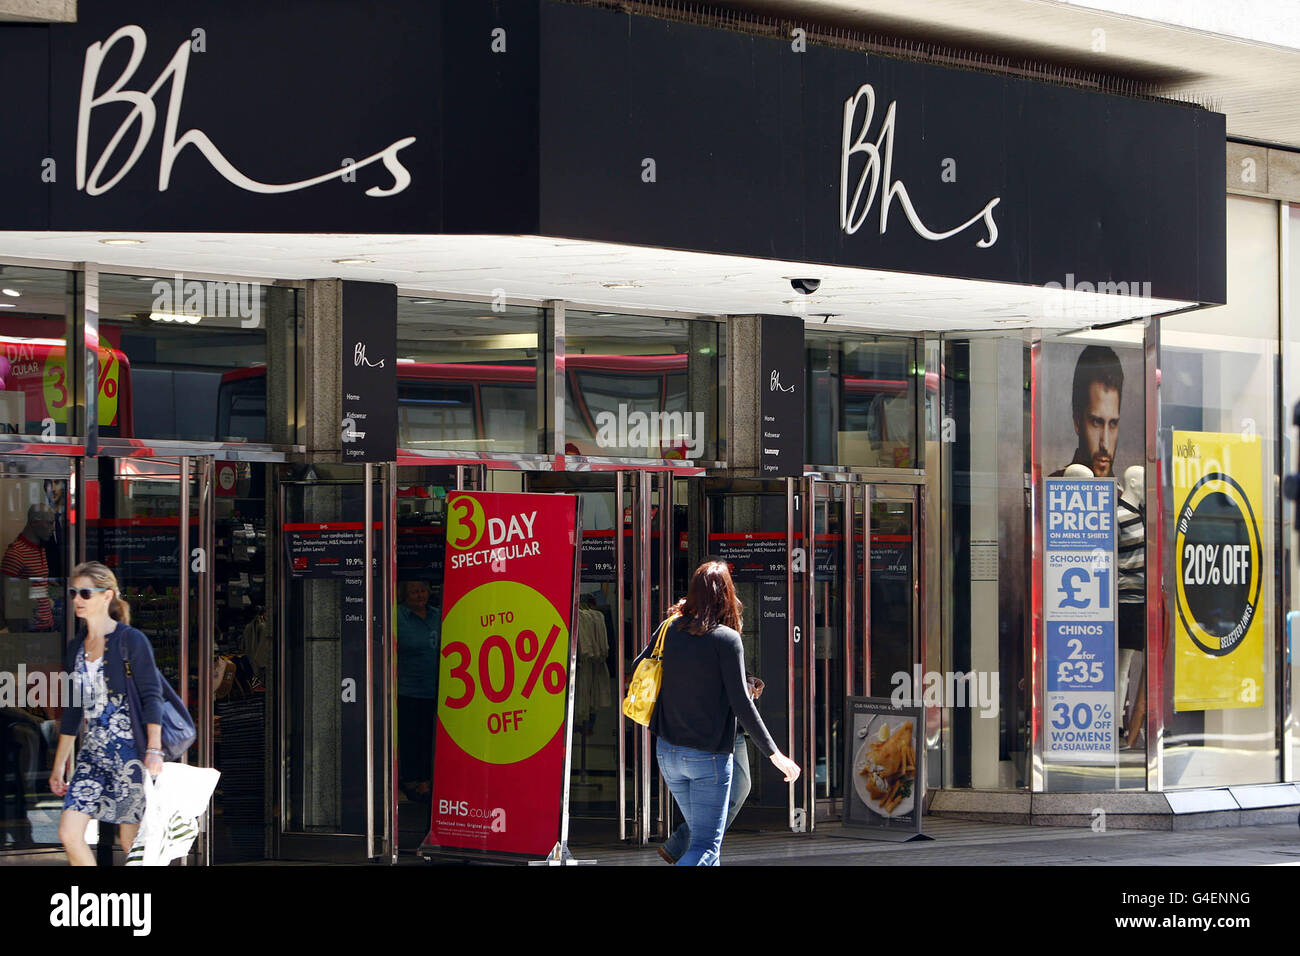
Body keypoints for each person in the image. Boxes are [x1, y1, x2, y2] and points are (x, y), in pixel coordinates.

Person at [638, 560, 799, 866]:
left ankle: (677, 849)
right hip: (708, 756)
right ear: (727, 594)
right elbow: (742, 703)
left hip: (668, 752)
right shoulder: (726, 638)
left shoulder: (669, 627)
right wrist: (775, 754)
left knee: (702, 843)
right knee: (705, 847)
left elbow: (639, 668)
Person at [49, 562, 164, 866]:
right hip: (92, 757)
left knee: (131, 844)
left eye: (85, 593)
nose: (77, 599)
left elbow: (153, 696)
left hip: (131, 756)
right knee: (69, 833)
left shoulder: (131, 640)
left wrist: (154, 749)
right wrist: (59, 766)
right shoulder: (76, 648)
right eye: (74, 593)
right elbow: (72, 712)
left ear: (106, 595)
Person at [658, 673, 763, 865]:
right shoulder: (700, 644)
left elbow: (732, 666)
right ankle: (684, 845)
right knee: (706, 842)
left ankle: (680, 844)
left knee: (740, 788)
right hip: (710, 729)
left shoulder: (726, 643)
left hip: (731, 724)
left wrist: (747, 680)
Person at [397, 579, 440, 803]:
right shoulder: (397, 617)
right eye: (413, 591)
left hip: (434, 689)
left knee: (428, 739)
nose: (419, 595)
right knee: (409, 738)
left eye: (423, 590)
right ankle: (410, 780)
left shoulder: (437, 615)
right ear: (405, 595)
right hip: (407, 690)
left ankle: (425, 781)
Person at [1051, 345, 1124, 478]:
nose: (1105, 444)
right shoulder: (1054, 489)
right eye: (1096, 422)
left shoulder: (1121, 495)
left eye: (1113, 423)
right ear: (1077, 422)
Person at [1, 505, 56, 632]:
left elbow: (34, 584)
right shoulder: (16, 553)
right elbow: (6, 597)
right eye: (49, 523)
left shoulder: (39, 549)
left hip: (46, 625)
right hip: (30, 630)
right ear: (35, 522)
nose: (52, 528)